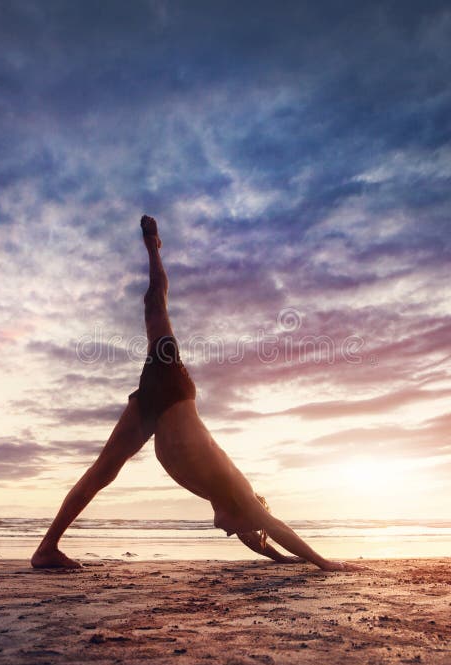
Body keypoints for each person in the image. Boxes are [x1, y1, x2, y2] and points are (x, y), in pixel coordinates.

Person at [31, 216, 362, 571]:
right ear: (248, 513)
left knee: (103, 472)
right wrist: (325, 564)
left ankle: (46, 549)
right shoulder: (237, 490)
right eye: (243, 531)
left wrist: (282, 560)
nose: (231, 535)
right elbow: (275, 528)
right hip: (172, 387)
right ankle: (153, 247)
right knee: (155, 304)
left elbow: (265, 541)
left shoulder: (228, 504)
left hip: (152, 411)